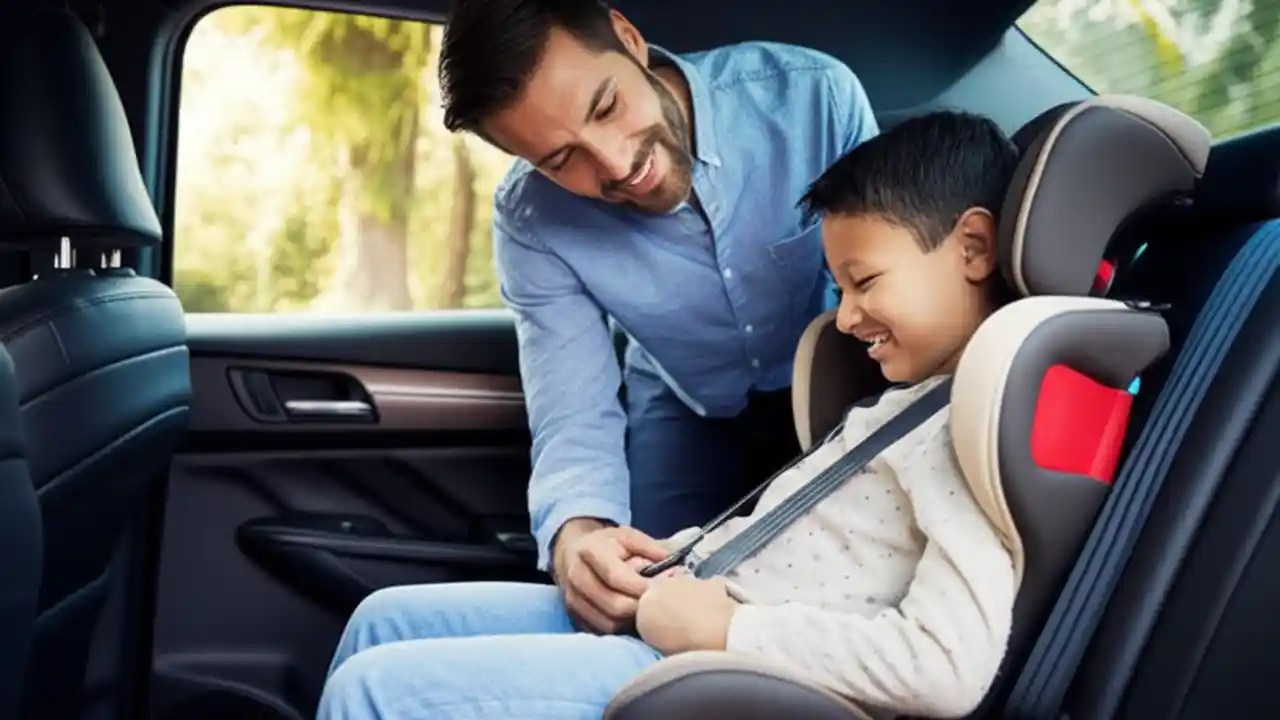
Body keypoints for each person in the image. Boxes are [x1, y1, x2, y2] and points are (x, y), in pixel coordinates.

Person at [316, 110, 1024, 720]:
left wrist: (729, 629)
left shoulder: (973, 427)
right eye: (837, 287)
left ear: (972, 247)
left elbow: (943, 664)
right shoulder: (905, 404)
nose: (843, 317)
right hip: (684, 615)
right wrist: (675, 557)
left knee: (375, 692)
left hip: (730, 677)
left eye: (864, 281)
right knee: (384, 620)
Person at [434, 0, 880, 634]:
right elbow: (571, 405)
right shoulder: (532, 222)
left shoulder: (814, 99)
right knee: (640, 608)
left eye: (606, 106)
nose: (616, 165)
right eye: (562, 160)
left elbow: (890, 291)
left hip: (838, 389)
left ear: (629, 38)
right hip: (684, 404)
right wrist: (577, 538)